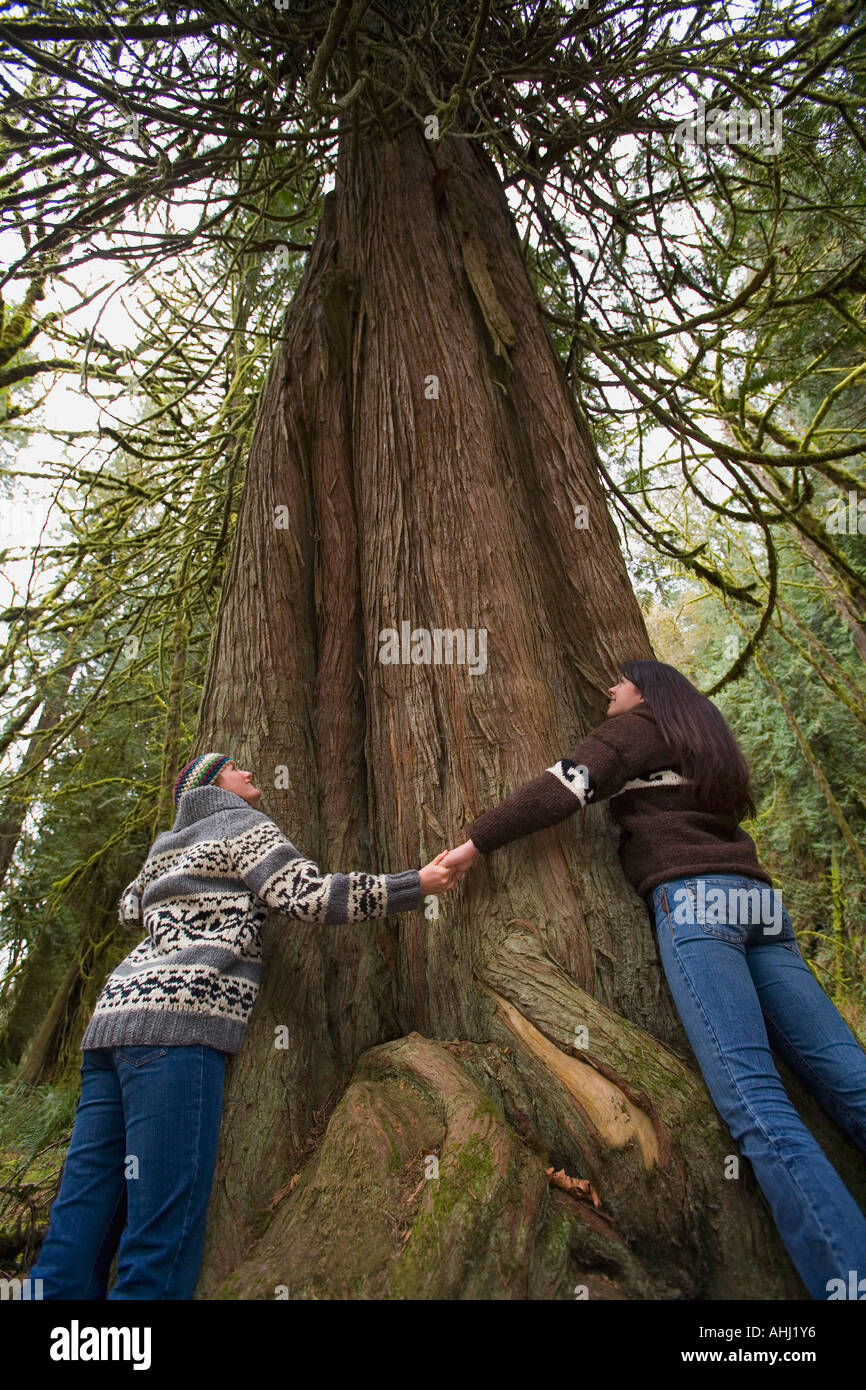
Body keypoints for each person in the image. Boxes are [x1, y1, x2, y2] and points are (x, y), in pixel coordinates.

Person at [442, 658, 866, 1300]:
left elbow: (563, 788)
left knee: (755, 1101)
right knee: (848, 1075)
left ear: (645, 691)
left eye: (620, 681)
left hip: (696, 901)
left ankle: (849, 1283)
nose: (610, 690)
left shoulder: (638, 726)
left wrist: (474, 842)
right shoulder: (706, 736)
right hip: (758, 903)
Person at [29, 751, 463, 1300]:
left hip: (113, 1021)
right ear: (214, 785)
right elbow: (309, 897)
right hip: (178, 1027)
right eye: (236, 768)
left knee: (80, 1216)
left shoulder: (164, 846)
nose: (250, 773)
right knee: (162, 1228)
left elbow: (128, 909)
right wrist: (415, 883)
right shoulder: (242, 824)